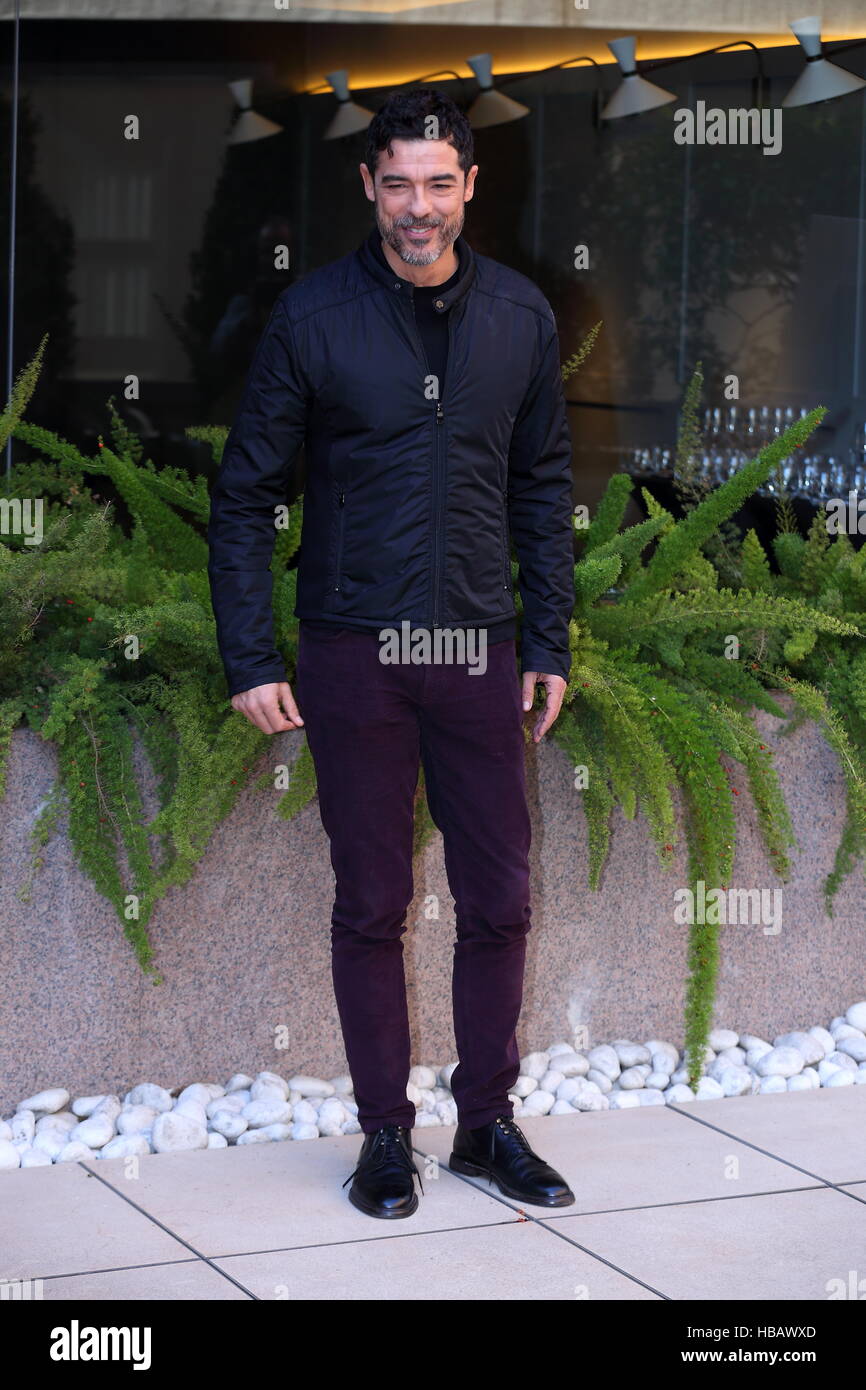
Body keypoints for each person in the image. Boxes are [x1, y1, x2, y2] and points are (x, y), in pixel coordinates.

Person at [207, 87, 577, 1219]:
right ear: (369, 188)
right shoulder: (313, 321)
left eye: (438, 183)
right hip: (352, 653)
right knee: (370, 899)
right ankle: (381, 1135)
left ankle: (484, 1125)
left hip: (476, 651)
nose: (417, 206)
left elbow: (542, 483)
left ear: (470, 188)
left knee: (500, 897)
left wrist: (546, 635)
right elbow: (242, 498)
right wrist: (249, 657)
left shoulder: (520, 318)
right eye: (397, 183)